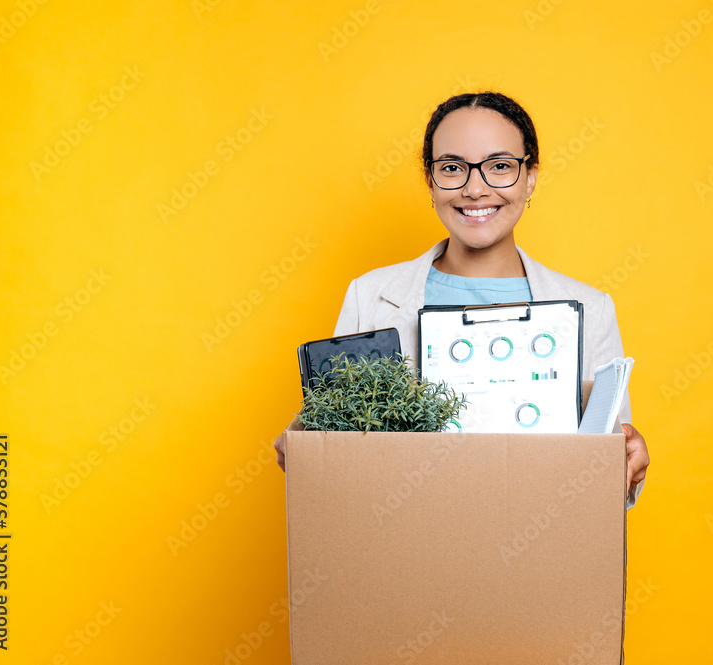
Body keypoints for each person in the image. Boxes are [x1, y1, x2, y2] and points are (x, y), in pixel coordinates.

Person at [274, 91, 649, 508]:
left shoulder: (592, 309)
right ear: (430, 181)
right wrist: (306, 442)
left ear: (530, 178)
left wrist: (628, 459)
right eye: (452, 168)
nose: (474, 188)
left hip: (538, 531)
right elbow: (340, 449)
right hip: (405, 534)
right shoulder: (370, 296)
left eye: (500, 166)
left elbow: (606, 476)